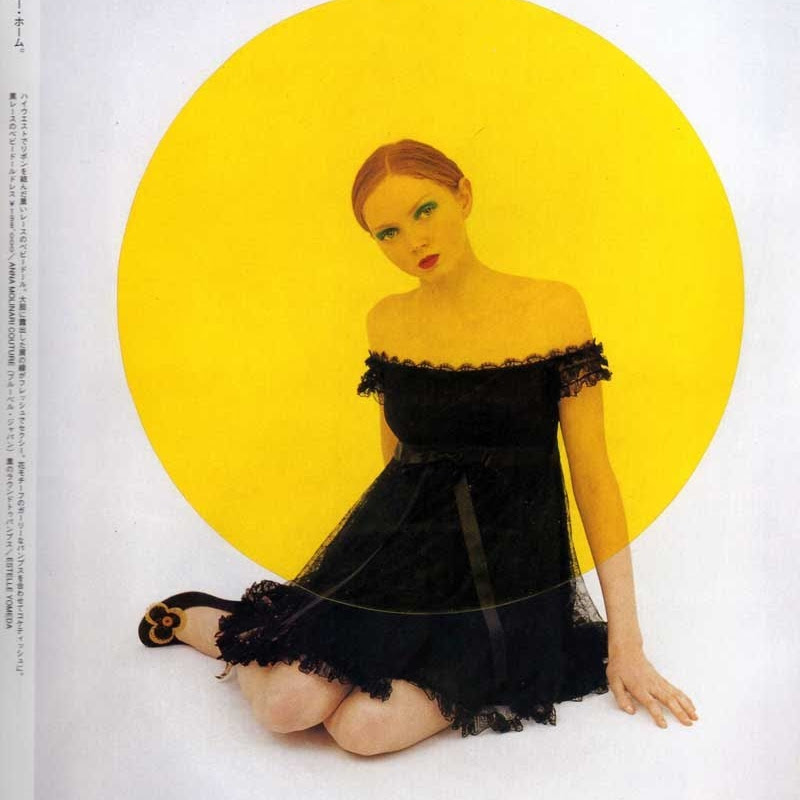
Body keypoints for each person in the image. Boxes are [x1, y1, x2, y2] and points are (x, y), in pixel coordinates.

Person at [138, 139, 698, 756]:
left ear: (463, 195)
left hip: (510, 578)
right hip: (412, 559)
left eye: (424, 210)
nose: (413, 242)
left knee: (362, 731)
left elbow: (594, 477)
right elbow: (397, 465)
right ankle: (214, 626)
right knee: (284, 707)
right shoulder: (387, 322)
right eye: (388, 232)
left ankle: (267, 635)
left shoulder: (554, 308)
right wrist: (391, 604)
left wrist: (627, 642)